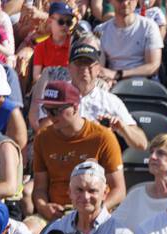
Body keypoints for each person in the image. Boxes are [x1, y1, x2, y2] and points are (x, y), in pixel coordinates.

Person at [31, 80, 125, 219]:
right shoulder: (43, 138)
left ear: (75, 107)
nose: (49, 116)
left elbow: (119, 190)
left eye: (55, 110)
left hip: (94, 213)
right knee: (28, 232)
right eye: (46, 110)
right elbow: (39, 188)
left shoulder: (103, 137)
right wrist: (43, 207)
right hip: (56, 214)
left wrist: (95, 211)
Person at [53, 42, 146, 151]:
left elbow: (141, 144)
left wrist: (122, 127)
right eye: (79, 63)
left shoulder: (110, 101)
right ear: (69, 67)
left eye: (89, 63)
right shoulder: (58, 95)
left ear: (98, 68)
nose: (84, 69)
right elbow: (43, 133)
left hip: (99, 161)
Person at [94, 0, 162, 81]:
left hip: (142, 83)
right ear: (111, 1)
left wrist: (119, 74)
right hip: (112, 82)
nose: (125, 3)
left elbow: (153, 66)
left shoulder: (149, 26)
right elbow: (98, 66)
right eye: (120, 0)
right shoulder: (100, 30)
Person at [31, 0, 77, 83]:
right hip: (47, 88)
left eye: (68, 22)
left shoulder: (74, 44)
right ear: (49, 21)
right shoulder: (41, 47)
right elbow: (36, 76)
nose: (65, 26)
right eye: (61, 21)